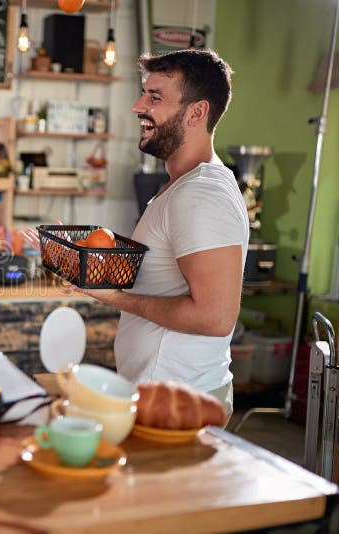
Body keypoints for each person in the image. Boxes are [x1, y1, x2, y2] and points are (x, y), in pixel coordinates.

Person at [74, 49, 249, 418]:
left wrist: (115, 298)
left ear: (197, 112)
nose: (139, 106)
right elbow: (166, 274)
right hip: (165, 393)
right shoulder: (179, 185)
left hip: (180, 402)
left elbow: (215, 317)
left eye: (155, 97)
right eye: (144, 94)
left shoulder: (202, 193)